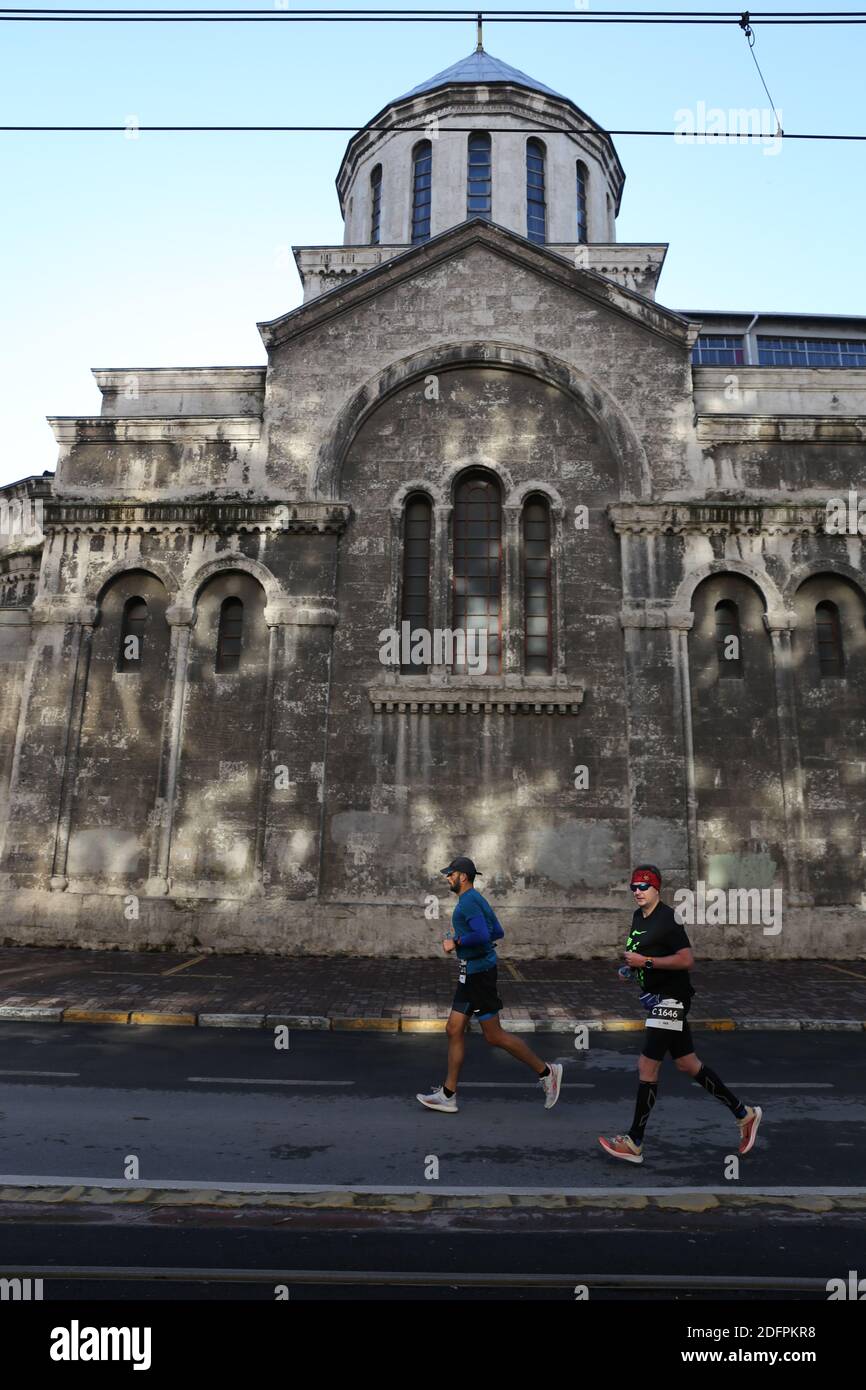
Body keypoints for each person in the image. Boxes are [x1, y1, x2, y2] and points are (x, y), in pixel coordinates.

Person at [598, 864, 762, 1164]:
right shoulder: (638, 916)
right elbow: (644, 957)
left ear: (657, 888)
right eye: (634, 886)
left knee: (647, 1066)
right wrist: (631, 969)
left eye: (643, 886)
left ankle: (634, 1142)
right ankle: (744, 1114)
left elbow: (686, 960)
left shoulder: (668, 918)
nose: (637, 891)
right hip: (657, 999)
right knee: (688, 1064)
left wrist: (645, 962)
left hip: (672, 1001)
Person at [417, 856, 562, 1113]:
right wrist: (470, 942)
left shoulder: (469, 902)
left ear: (463, 876)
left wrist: (457, 942)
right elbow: (497, 932)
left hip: (479, 976)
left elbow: (484, 934)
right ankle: (448, 1094)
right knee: (453, 1028)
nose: (447, 878)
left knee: (494, 1036)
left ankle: (546, 1072)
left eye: (451, 874)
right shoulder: (476, 900)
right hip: (471, 973)